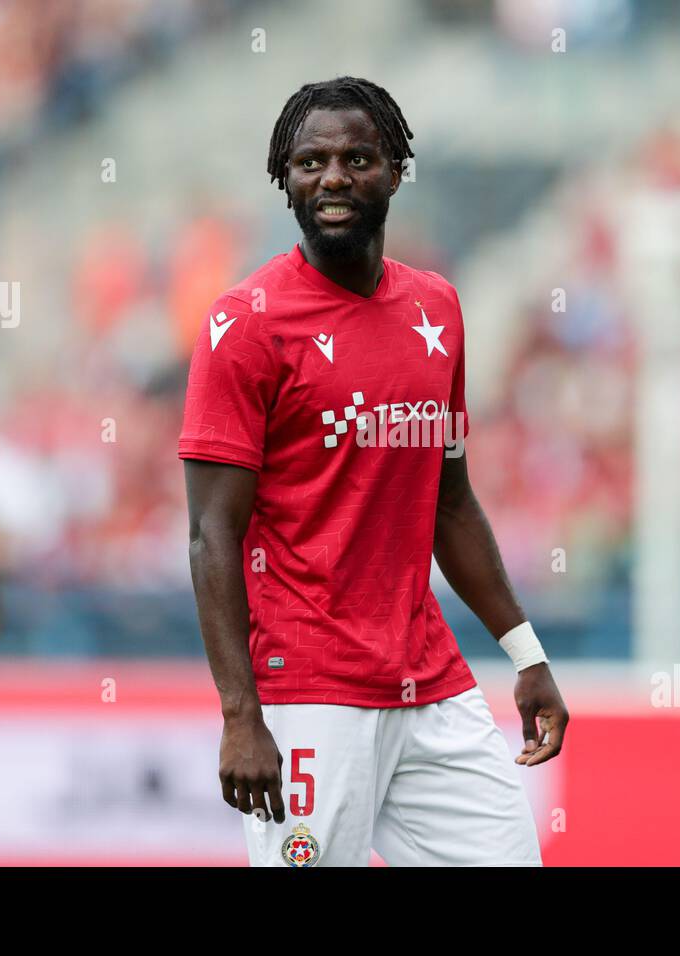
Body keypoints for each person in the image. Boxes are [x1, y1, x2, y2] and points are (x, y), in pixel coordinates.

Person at [179, 77, 568, 867]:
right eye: (310, 160)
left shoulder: (438, 308)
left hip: (430, 678)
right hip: (308, 689)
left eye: (358, 158)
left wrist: (524, 652)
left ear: (395, 171)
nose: (333, 177)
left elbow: (449, 504)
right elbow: (210, 533)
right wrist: (239, 712)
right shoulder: (244, 324)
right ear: (282, 180)